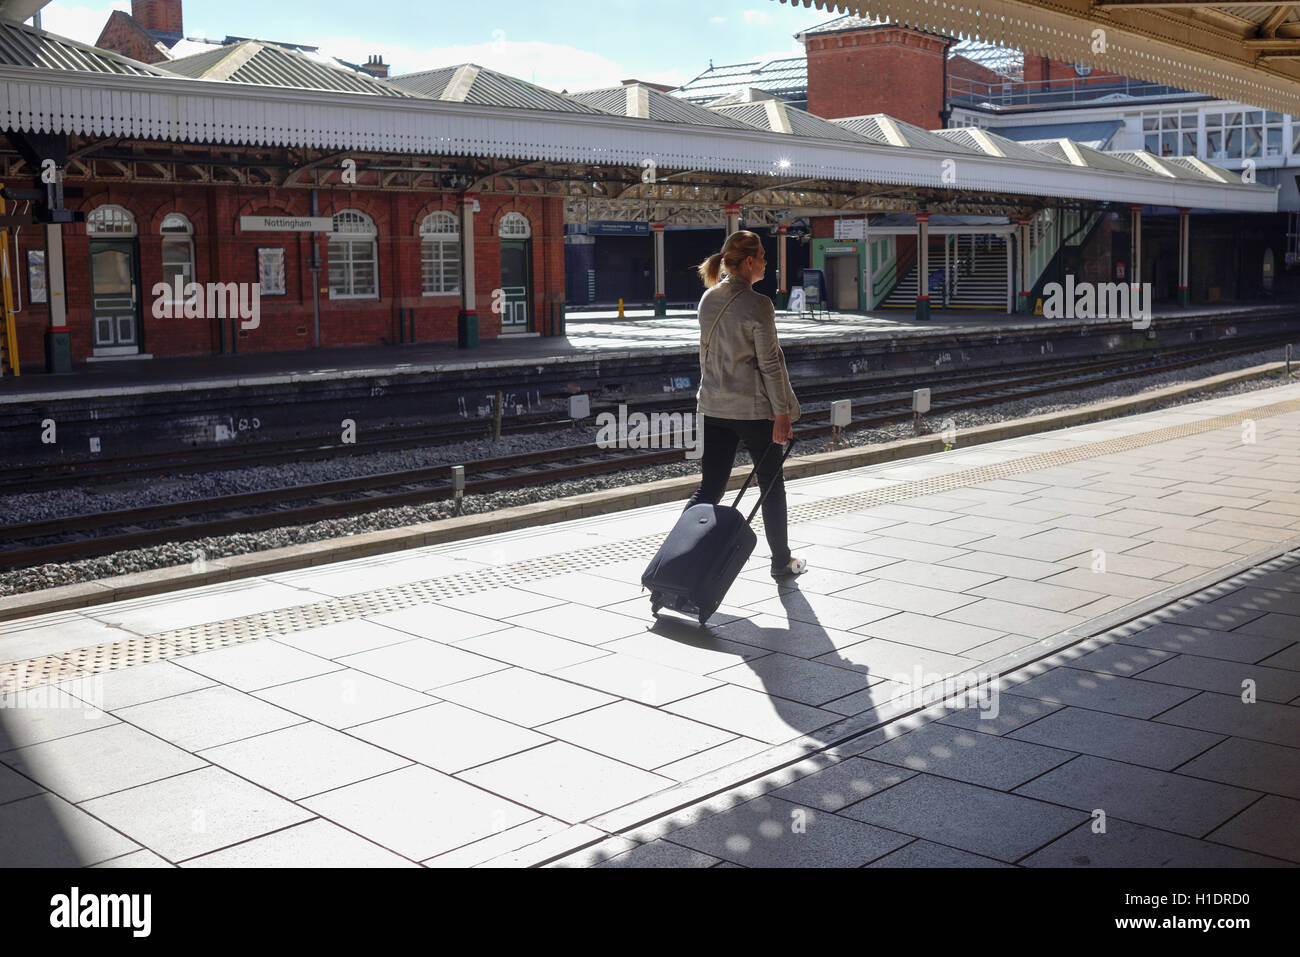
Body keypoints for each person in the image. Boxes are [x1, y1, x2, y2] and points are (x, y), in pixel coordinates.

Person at [688, 229, 807, 579]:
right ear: (750, 262)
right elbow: (770, 364)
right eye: (764, 257)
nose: (767, 263)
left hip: (713, 406)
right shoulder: (759, 304)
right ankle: (780, 562)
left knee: (710, 486)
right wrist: (782, 414)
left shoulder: (708, 298)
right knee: (770, 483)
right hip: (753, 410)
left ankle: (680, 552)